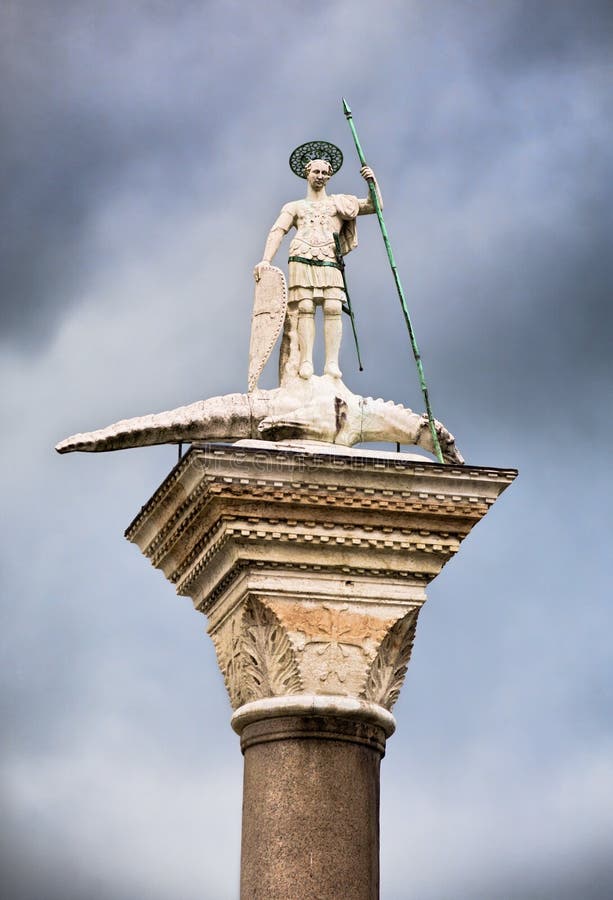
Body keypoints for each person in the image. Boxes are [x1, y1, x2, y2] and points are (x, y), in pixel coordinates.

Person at [254, 148, 382, 380]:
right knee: (305, 308)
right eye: (315, 171)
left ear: (330, 176)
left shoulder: (339, 203)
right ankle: (306, 362)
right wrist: (266, 259)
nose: (320, 175)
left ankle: (332, 364)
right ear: (307, 174)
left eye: (324, 172)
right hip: (301, 255)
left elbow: (374, 206)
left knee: (333, 307)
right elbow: (278, 230)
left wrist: (372, 182)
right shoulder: (295, 206)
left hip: (329, 256)